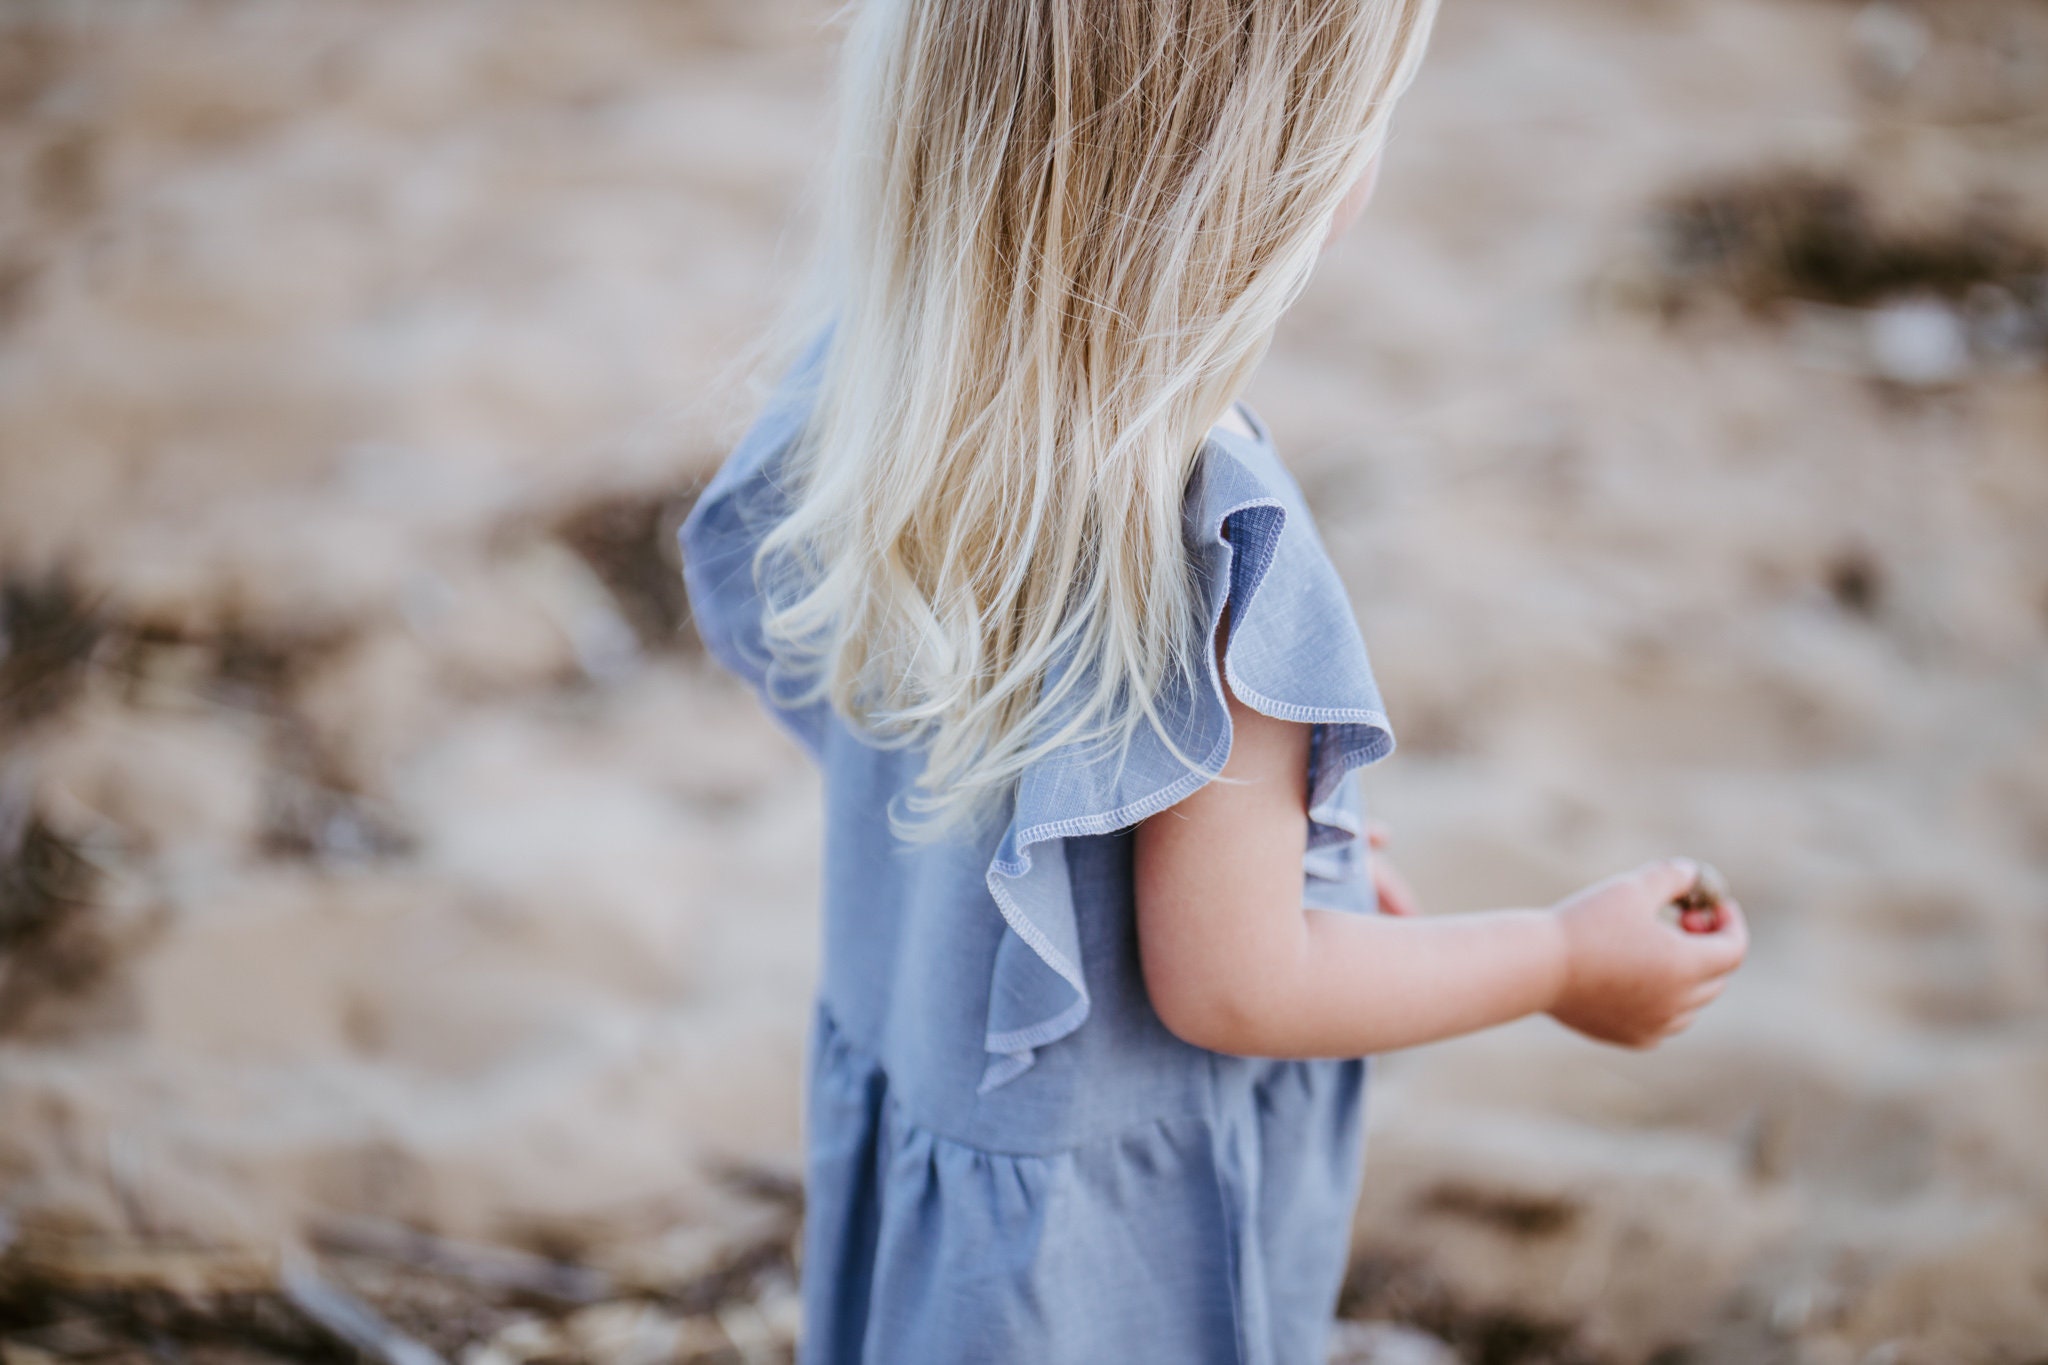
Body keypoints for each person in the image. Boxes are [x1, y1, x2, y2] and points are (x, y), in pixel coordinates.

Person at [677, 1, 1750, 1361]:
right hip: (1089, 1274)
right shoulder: (1208, 533)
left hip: (936, 1165)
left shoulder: (883, 388)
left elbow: (1056, 798)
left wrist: (1305, 850)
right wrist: (1562, 958)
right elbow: (1238, 987)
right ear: (1279, 171)